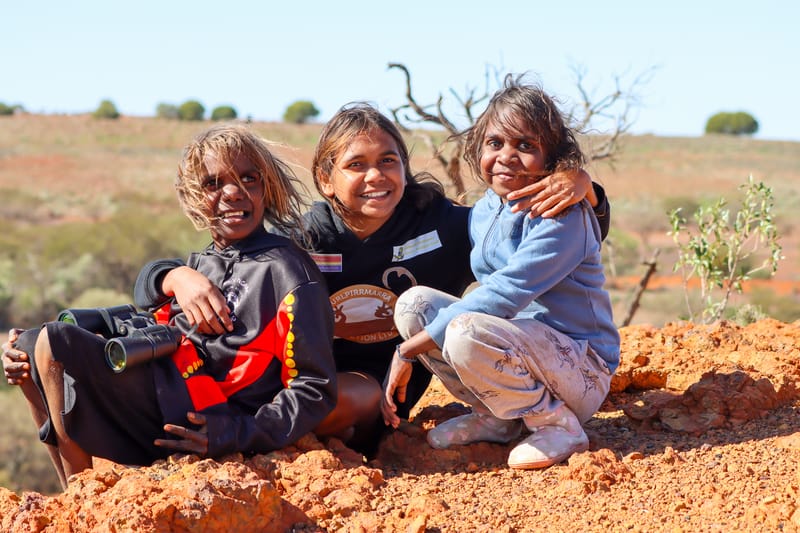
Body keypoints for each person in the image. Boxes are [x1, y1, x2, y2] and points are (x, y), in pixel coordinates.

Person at [127, 103, 610, 454]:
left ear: (404, 167)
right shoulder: (305, 238)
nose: (375, 176)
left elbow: (544, 246)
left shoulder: (443, 227)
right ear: (325, 178)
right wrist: (173, 277)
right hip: (297, 384)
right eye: (355, 165)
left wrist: (586, 189)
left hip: (376, 392)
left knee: (340, 398)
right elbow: (227, 258)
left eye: (387, 161)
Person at [1, 124, 337, 489]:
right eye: (213, 184)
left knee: (56, 342)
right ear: (193, 196)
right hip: (166, 391)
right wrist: (176, 275)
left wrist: (236, 432)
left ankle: (80, 496)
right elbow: (147, 289)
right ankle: (78, 494)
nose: (233, 193)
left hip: (204, 417)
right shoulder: (202, 263)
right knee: (26, 346)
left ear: (266, 188)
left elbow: (314, 387)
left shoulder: (287, 271)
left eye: (248, 179)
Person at [381, 76, 620, 470]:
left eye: (525, 145)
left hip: (580, 368)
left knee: (464, 329)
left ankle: (556, 423)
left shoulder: (560, 212)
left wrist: (407, 350)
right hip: (521, 348)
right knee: (414, 305)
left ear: (551, 158)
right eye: (496, 143)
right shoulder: (485, 210)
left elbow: (505, 293)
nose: (507, 155)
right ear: (477, 149)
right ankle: (498, 416)